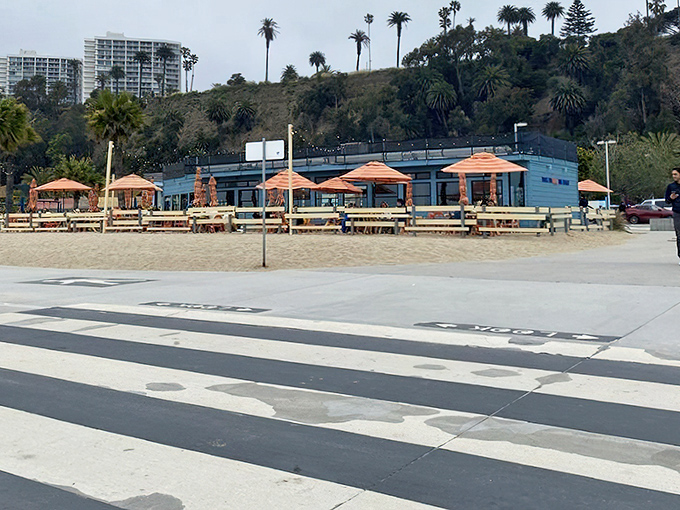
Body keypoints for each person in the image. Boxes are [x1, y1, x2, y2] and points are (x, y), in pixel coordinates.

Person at [665, 168, 680, 264]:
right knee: (679, 235)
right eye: (673, 174)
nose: (674, 176)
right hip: (677, 213)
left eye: (675, 174)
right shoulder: (671, 187)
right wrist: (670, 198)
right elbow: (666, 201)